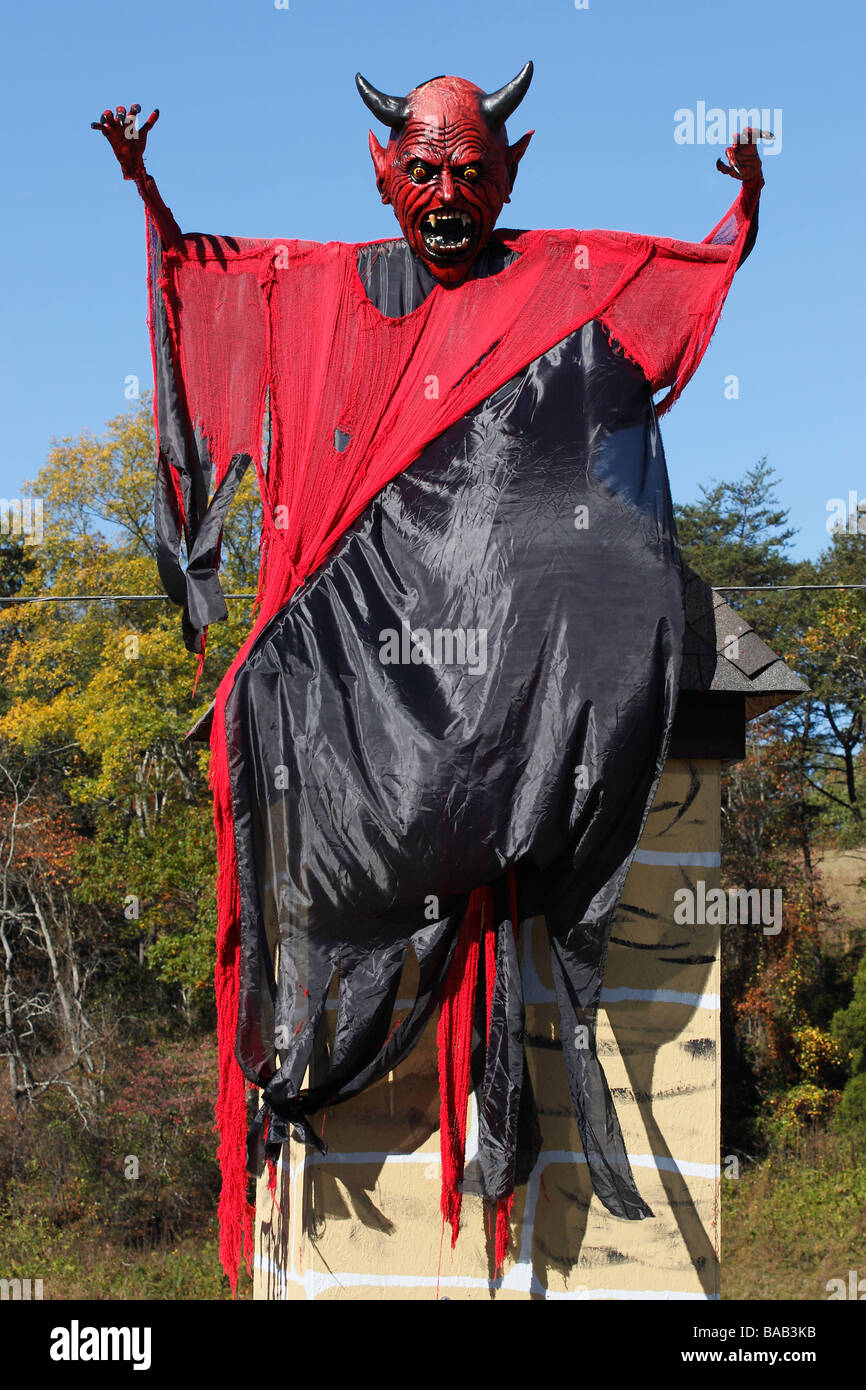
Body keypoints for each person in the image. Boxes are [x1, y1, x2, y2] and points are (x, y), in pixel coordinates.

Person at [94, 67, 767, 1285]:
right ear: (380, 167)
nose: (444, 192)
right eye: (423, 168)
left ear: (507, 174)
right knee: (265, 692)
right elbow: (214, 276)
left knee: (606, 607)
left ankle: (502, 826)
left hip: (514, 644)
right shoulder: (328, 287)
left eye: (468, 170)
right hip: (371, 644)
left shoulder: (556, 278)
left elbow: (661, 283)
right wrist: (149, 193)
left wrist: (738, 220)